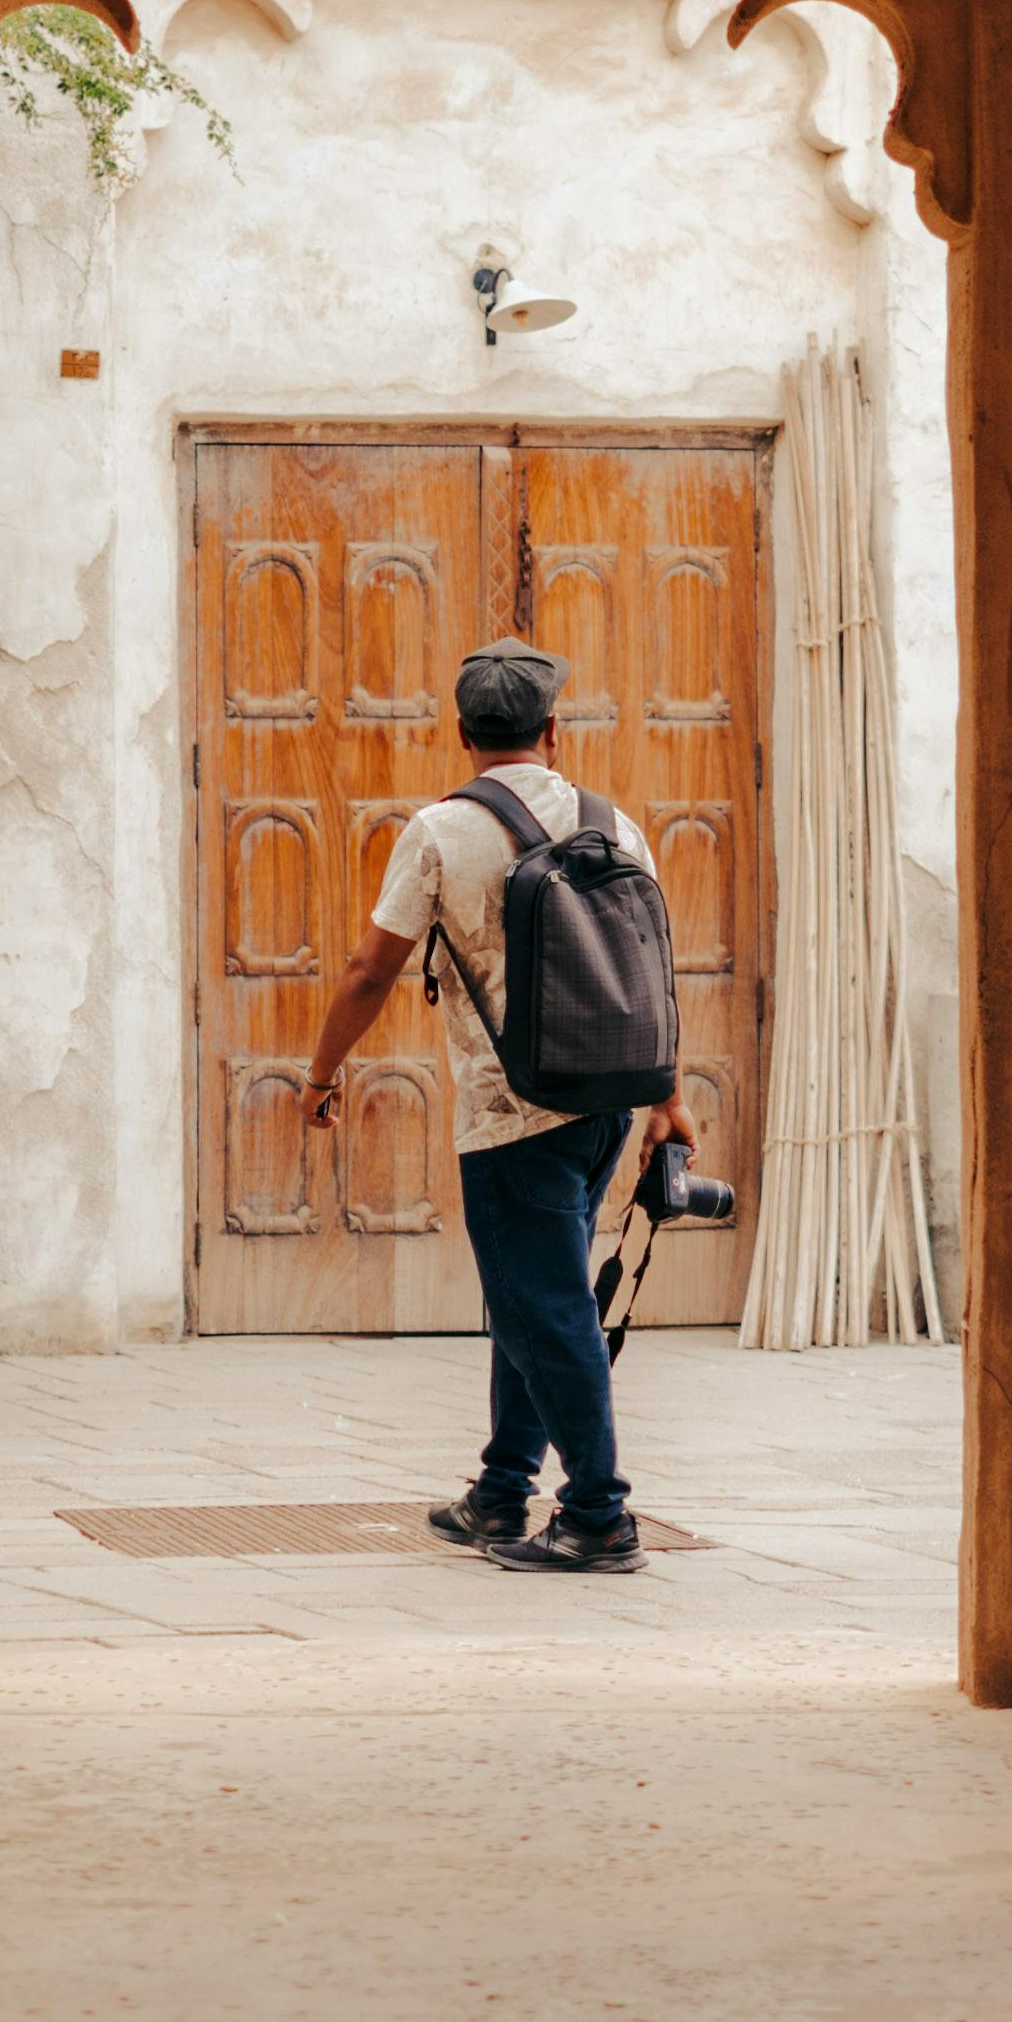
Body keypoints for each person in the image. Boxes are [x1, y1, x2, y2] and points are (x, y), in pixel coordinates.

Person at [299, 637, 691, 1578]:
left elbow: (369, 969)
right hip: (603, 1104)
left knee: (544, 1304)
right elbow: (646, 974)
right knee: (529, 1295)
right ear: (552, 731)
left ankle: (598, 1515)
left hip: (511, 1112)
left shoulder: (441, 831)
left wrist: (318, 1076)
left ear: (462, 731)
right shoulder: (615, 824)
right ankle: (501, 1492)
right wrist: (664, 1100)